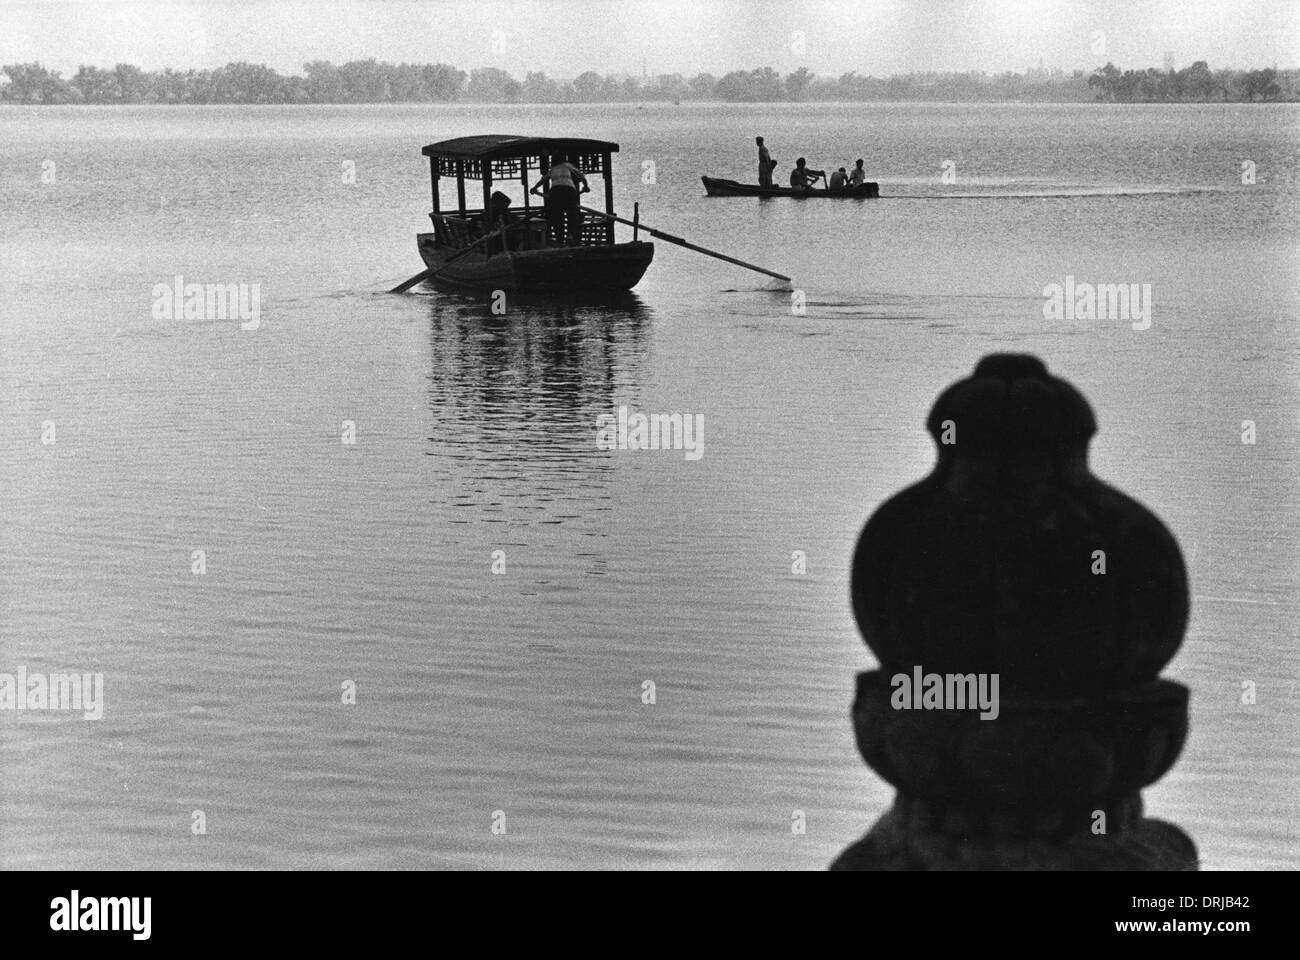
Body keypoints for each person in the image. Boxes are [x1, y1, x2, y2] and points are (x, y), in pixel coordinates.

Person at [530, 154, 589, 245]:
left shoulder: (552, 169)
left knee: (557, 218)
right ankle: (570, 236)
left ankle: (560, 240)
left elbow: (543, 180)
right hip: (569, 191)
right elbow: (582, 176)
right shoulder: (568, 165)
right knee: (572, 215)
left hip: (555, 192)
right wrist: (586, 187)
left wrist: (534, 188)